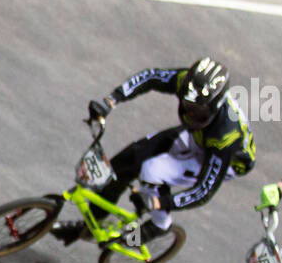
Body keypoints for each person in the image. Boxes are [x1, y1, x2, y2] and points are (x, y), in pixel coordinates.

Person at [56, 57, 256, 242]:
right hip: (199, 136)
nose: (190, 115)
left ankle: (160, 225)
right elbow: (151, 77)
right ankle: (92, 223)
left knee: (151, 172)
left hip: (223, 158)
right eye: (187, 106)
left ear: (216, 106)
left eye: (199, 112)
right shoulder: (187, 85)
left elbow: (203, 191)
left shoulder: (225, 136)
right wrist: (110, 101)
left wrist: (160, 203)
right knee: (127, 161)